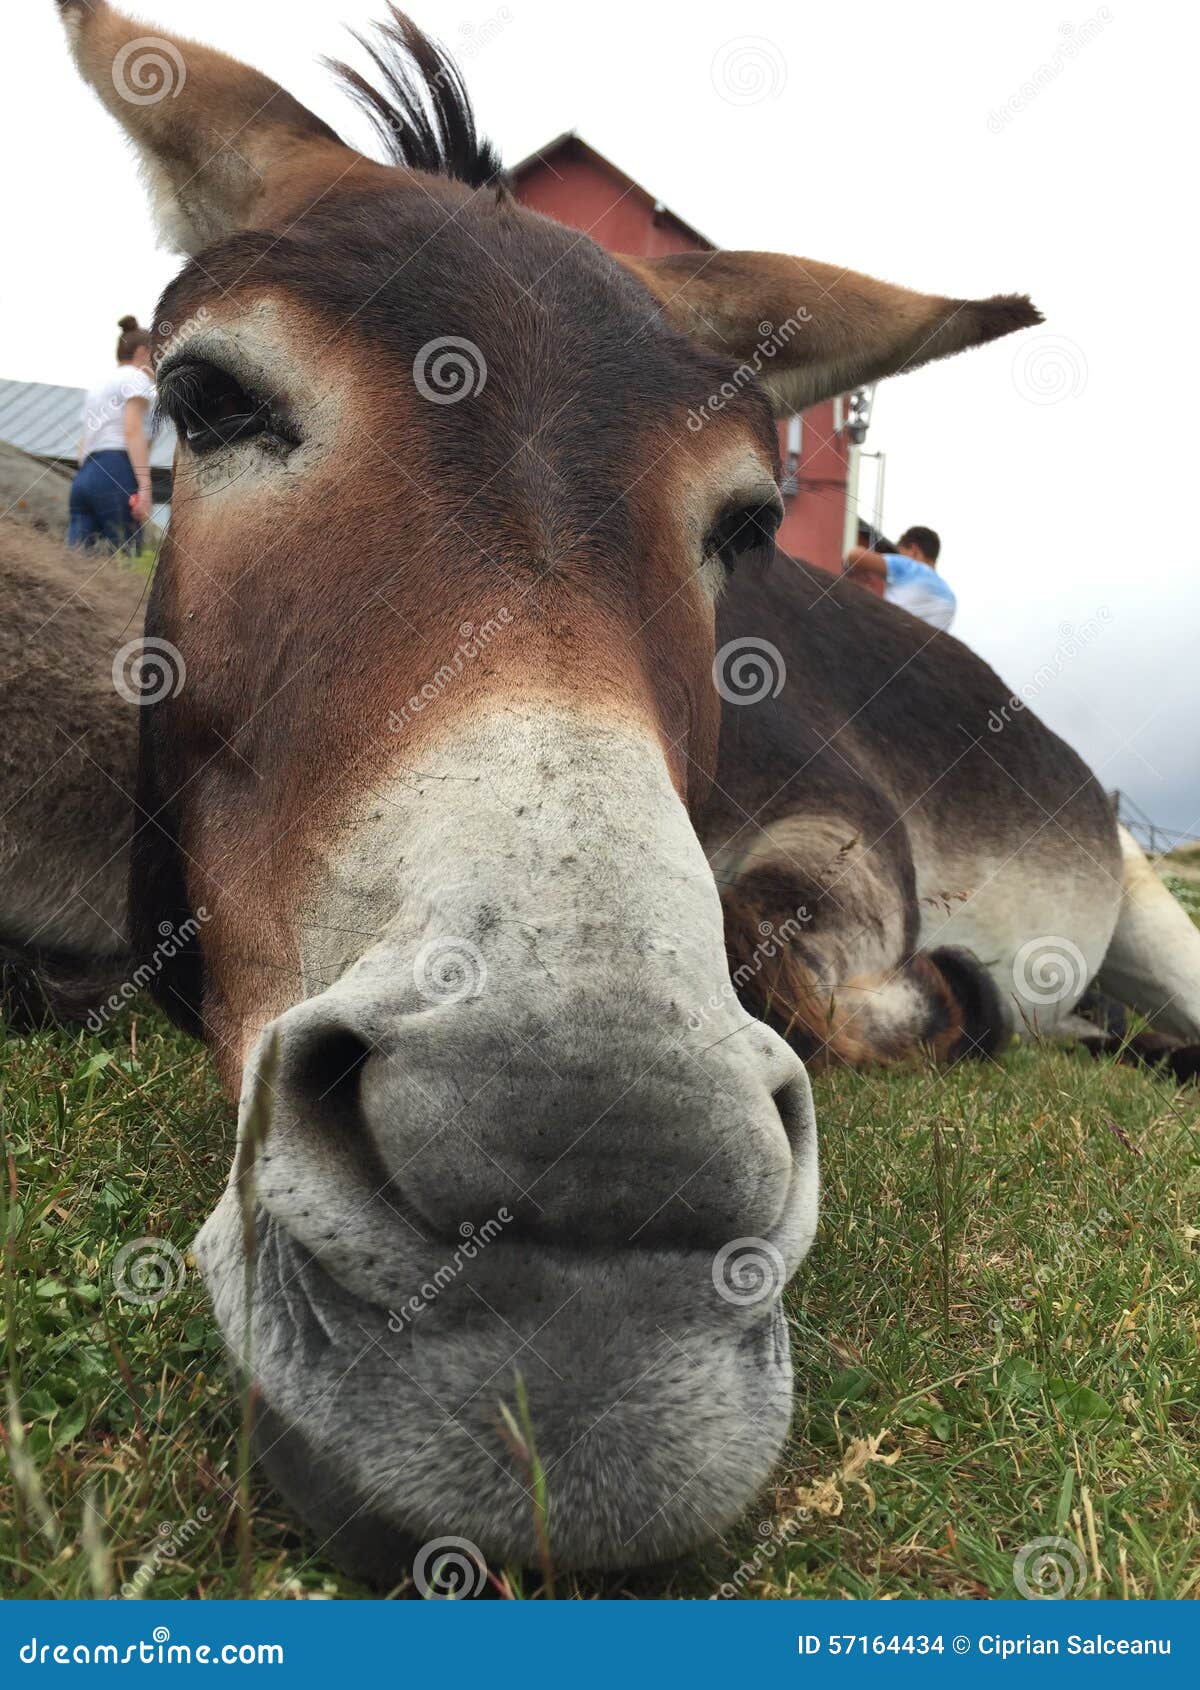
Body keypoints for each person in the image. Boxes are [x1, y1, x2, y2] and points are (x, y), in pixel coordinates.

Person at [68, 315, 154, 550]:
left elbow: (82, 444)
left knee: (75, 563)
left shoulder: (98, 385)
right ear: (143, 352)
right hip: (116, 470)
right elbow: (132, 429)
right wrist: (145, 487)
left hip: (85, 476)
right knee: (128, 558)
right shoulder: (137, 378)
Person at [844, 523, 956, 631]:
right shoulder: (950, 597)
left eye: (901, 553)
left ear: (914, 550)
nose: (900, 557)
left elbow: (855, 555)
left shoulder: (910, 567)